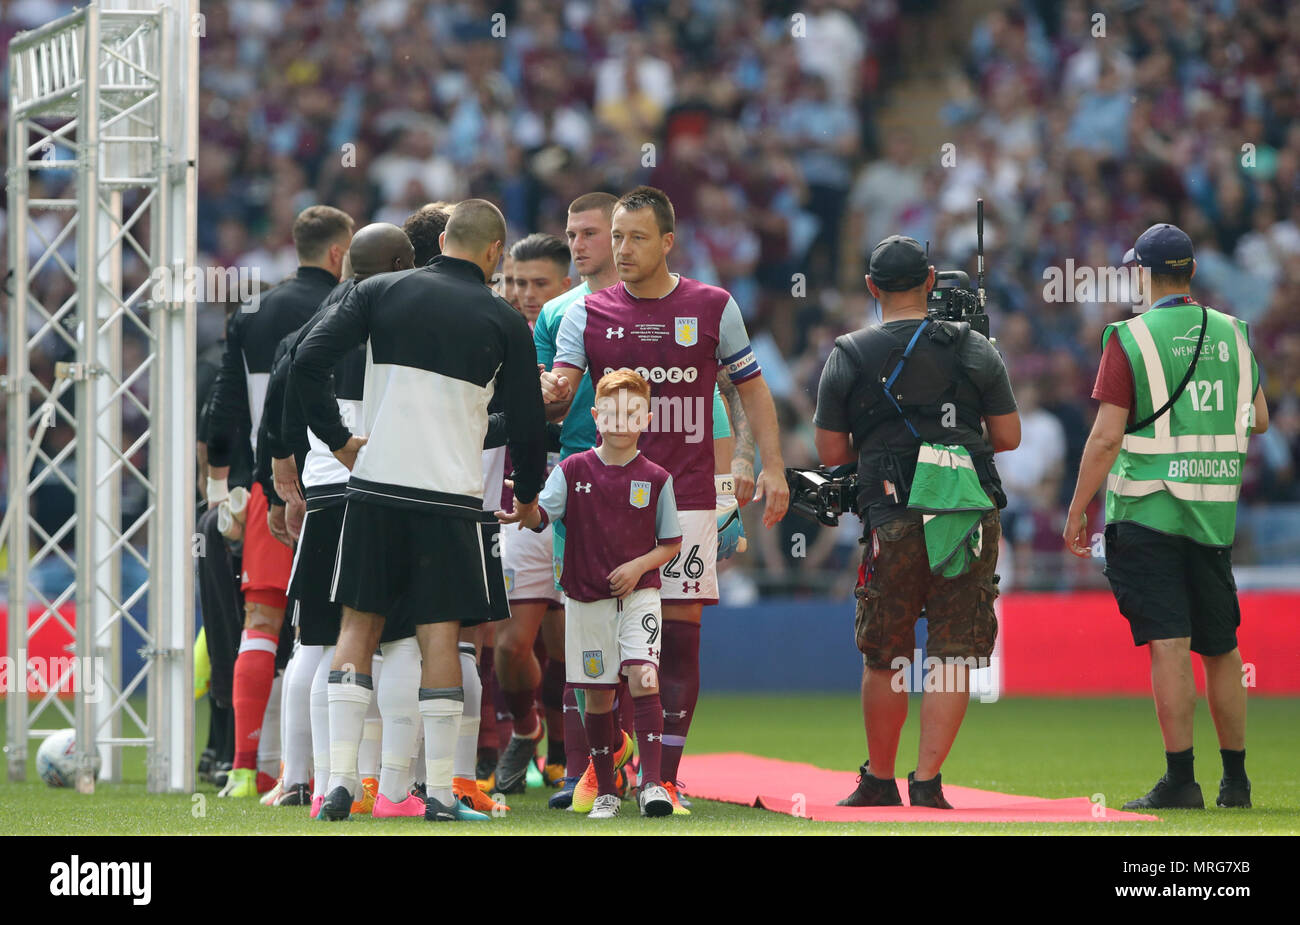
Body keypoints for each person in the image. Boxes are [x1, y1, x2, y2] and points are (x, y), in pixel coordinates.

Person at [292, 199, 547, 823]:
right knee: (439, 637)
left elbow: (306, 360)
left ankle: (341, 784)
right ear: (493, 253)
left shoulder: (379, 291)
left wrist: (337, 438)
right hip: (450, 500)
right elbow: (529, 423)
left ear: (444, 242)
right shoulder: (505, 320)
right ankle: (437, 793)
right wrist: (528, 496)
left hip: (376, 489)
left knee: (358, 629)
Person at [542, 185, 789, 813]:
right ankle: (608, 765)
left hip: (688, 500)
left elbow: (752, 390)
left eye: (636, 238)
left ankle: (666, 776)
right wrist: (538, 387)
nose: (622, 249)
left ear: (668, 242)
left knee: (676, 639)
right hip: (604, 505)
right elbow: (562, 389)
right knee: (606, 651)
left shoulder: (712, 305)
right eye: (616, 237)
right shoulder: (587, 312)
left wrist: (773, 469)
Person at [1063, 223, 1268, 810]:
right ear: (1193, 272)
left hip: (1148, 513)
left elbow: (1104, 440)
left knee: (1169, 647)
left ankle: (1182, 781)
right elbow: (1259, 419)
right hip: (1214, 517)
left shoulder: (1129, 339)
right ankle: (1237, 783)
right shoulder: (1235, 335)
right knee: (1222, 648)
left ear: (1141, 275)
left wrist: (1078, 511)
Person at [813, 234, 1020, 809]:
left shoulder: (849, 351)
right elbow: (1008, 436)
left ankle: (879, 780)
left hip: (893, 514)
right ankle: (927, 783)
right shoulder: (975, 347)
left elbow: (830, 451)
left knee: (886, 653)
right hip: (967, 514)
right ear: (931, 280)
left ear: (871, 287)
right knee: (954, 651)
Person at [261, 223, 417, 812]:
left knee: (318, 643)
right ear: (402, 262)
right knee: (393, 641)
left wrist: (281, 461)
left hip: (326, 490)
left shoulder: (324, 314)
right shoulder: (402, 314)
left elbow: (285, 372)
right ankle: (383, 781)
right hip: (385, 486)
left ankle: (313, 780)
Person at [204, 204, 355, 797]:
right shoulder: (350, 310)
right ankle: (331, 775)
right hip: (338, 480)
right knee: (341, 629)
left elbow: (224, 406)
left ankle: (246, 768)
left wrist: (225, 489)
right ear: (339, 253)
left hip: (266, 485)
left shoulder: (253, 310)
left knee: (259, 624)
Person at [498, 369, 681, 818]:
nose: (621, 421)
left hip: (639, 598)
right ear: (596, 417)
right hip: (584, 601)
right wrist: (526, 511)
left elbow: (671, 543)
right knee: (597, 696)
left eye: (632, 412)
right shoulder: (572, 469)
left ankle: (652, 785)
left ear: (647, 418)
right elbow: (544, 516)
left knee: (644, 678)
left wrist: (639, 567)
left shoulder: (657, 478)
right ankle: (605, 789)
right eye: (612, 412)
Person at [491, 233, 573, 793]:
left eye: (538, 284)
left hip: (580, 504)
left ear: (565, 286)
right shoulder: (494, 340)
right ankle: (525, 728)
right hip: (515, 504)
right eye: (516, 282)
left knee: (573, 641)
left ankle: (570, 759)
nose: (524, 294)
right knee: (510, 644)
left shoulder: (589, 334)